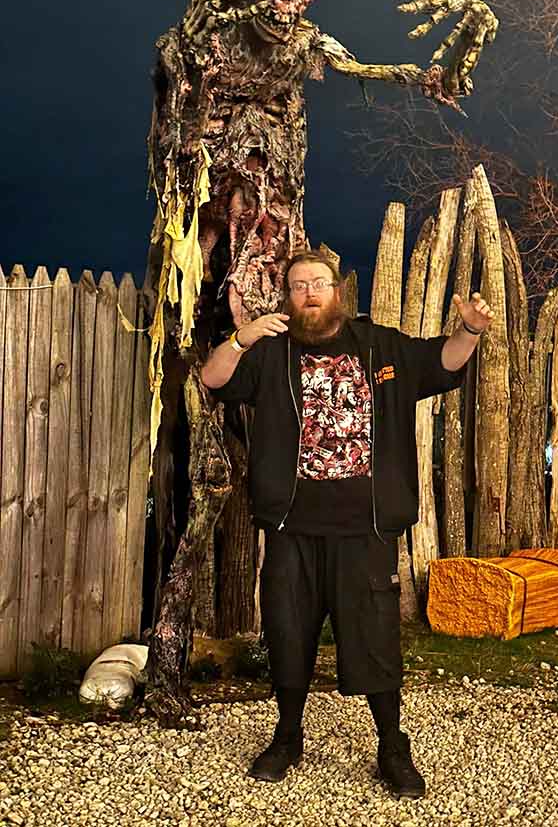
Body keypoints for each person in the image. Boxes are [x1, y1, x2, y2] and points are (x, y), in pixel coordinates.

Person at [200, 249, 494, 799]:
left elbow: (443, 362)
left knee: (375, 638)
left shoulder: (378, 346)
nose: (309, 291)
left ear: (338, 290)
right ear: (288, 296)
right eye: (297, 285)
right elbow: (214, 380)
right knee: (288, 632)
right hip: (292, 528)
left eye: (318, 282)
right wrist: (241, 339)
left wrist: (470, 331)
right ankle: (287, 737)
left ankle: (391, 745)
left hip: (366, 529)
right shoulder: (271, 353)